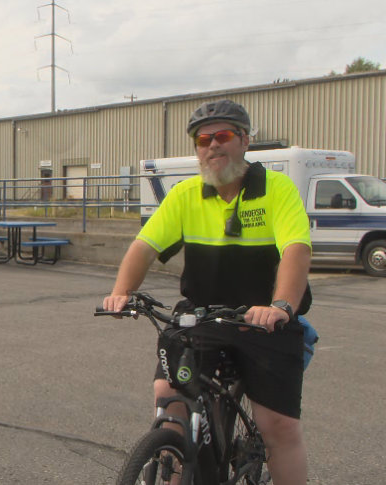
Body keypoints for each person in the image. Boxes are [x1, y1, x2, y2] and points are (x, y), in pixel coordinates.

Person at [103, 100, 311, 485]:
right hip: (201, 316)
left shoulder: (277, 190)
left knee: (276, 426)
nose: (212, 145)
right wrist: (121, 293)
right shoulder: (185, 195)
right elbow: (144, 247)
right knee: (169, 398)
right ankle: (182, 471)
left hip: (264, 323)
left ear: (244, 140)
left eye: (223, 136)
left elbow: (296, 251)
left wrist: (281, 306)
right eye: (203, 139)